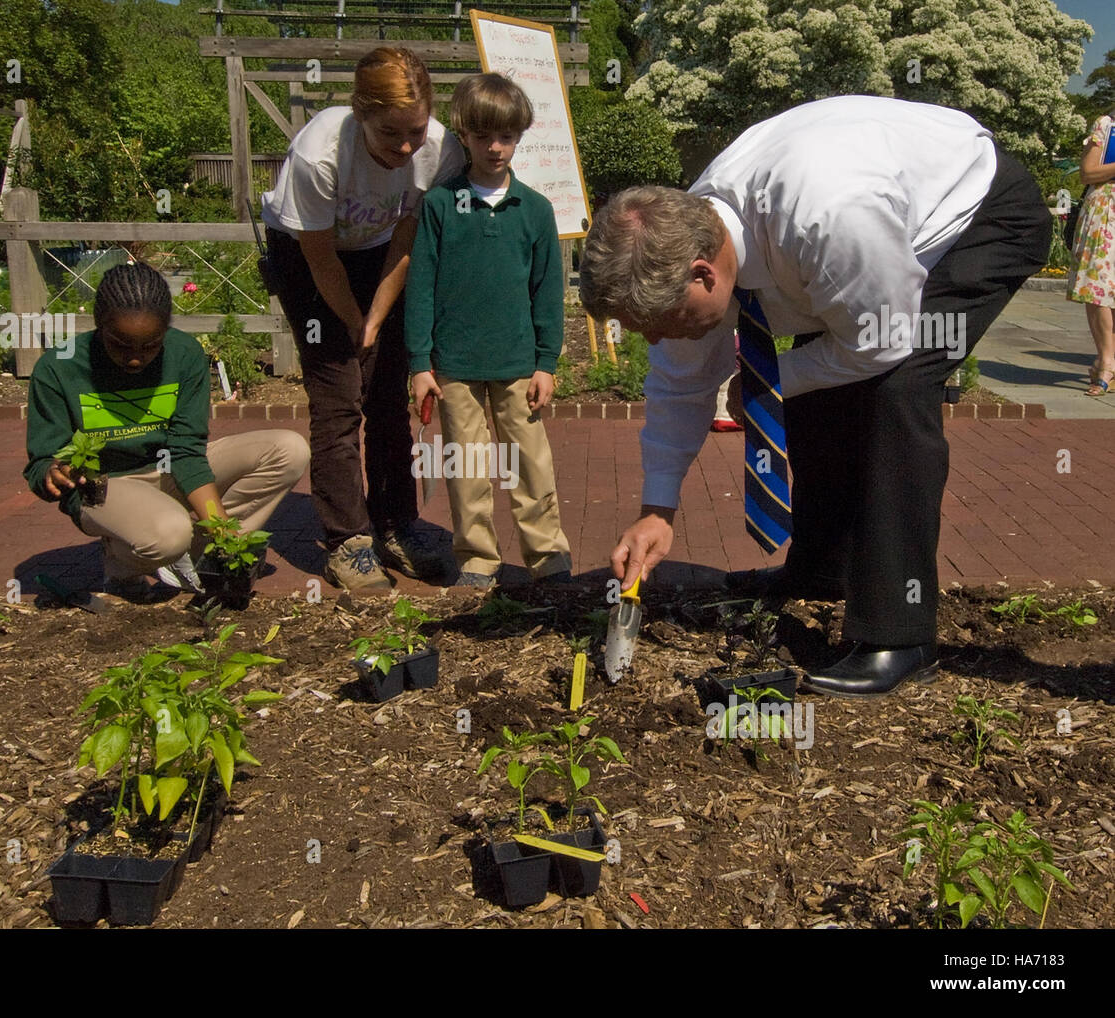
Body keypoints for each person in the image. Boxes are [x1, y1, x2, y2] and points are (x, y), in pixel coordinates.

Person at [580, 95, 1051, 698]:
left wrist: (772, 380)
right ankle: (821, 568)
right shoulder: (689, 239)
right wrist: (657, 509)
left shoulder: (826, 216)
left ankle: (898, 633)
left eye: (661, 319)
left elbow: (882, 342)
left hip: (976, 213)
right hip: (864, 238)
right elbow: (680, 382)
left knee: (895, 390)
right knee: (811, 379)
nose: (654, 336)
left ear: (704, 274)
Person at [261, 46, 466, 591]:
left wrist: (378, 315)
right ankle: (347, 538)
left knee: (387, 394)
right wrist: (355, 322)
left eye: (414, 131)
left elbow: (405, 235)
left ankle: (397, 523)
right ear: (359, 115)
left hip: (381, 254)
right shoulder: (319, 155)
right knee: (340, 397)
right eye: (389, 134)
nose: (404, 147)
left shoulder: (439, 150)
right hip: (308, 257)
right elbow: (319, 256)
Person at [24, 262, 309, 598]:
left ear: (166, 330)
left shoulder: (184, 354)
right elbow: (40, 464)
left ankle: (202, 553)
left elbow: (187, 451)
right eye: (120, 345)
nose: (135, 359)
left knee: (288, 449)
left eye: (150, 346)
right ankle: (123, 566)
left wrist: (222, 533)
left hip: (169, 469)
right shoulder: (59, 367)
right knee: (170, 533)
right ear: (99, 326)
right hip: (105, 486)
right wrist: (53, 474)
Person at [405, 73, 572, 589]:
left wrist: (547, 363)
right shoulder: (438, 206)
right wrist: (419, 363)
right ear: (463, 135)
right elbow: (421, 288)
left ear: (520, 136)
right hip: (453, 367)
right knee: (468, 468)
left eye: (506, 137)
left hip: (518, 365)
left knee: (530, 465)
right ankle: (476, 557)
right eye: (483, 137)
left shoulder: (536, 211)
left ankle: (547, 555)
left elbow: (547, 294)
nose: (495, 148)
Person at [1065, 108, 1115, 396]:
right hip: (1105, 209)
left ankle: (1106, 363)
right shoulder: (1106, 125)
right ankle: (1106, 361)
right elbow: (1088, 172)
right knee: (1097, 286)